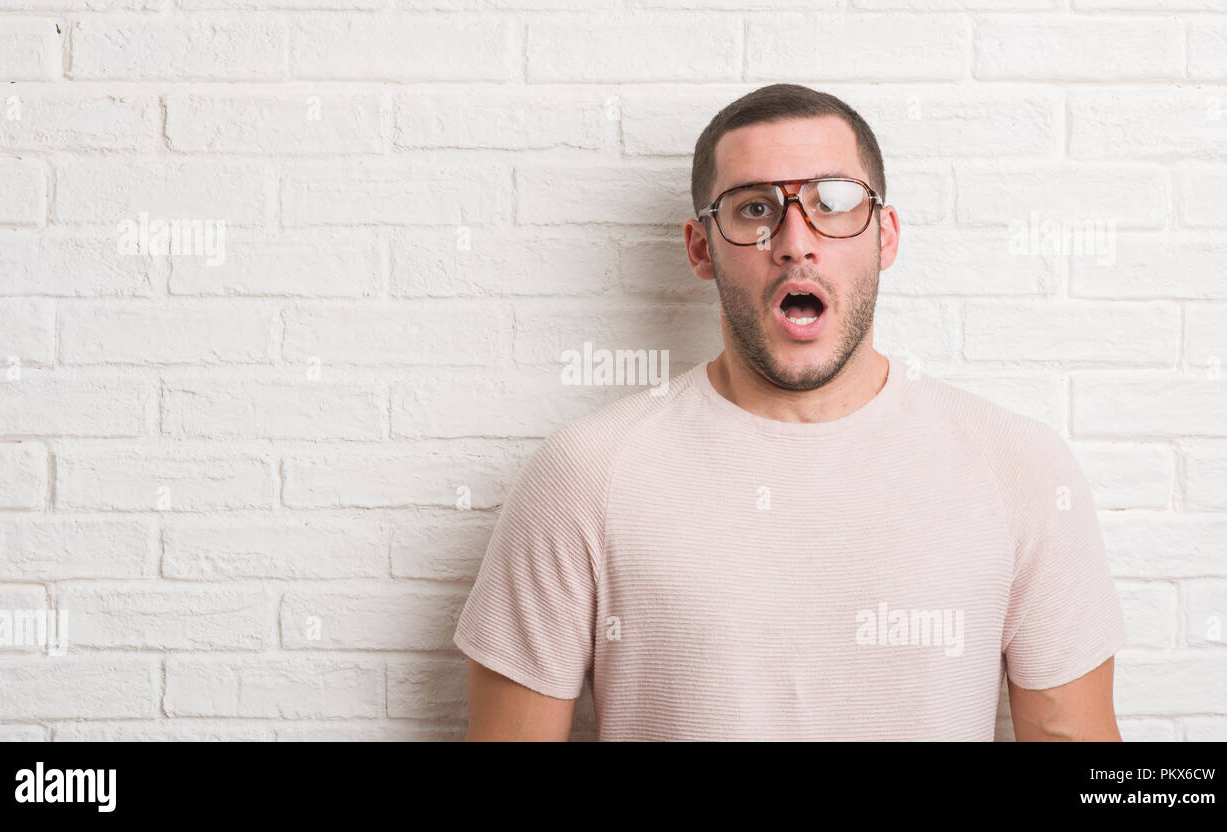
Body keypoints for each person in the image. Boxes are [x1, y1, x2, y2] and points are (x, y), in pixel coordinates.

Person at [453, 83, 1127, 741]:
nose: (795, 241)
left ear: (884, 237)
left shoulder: (1019, 469)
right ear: (700, 249)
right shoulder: (585, 475)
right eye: (754, 209)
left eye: (833, 203)